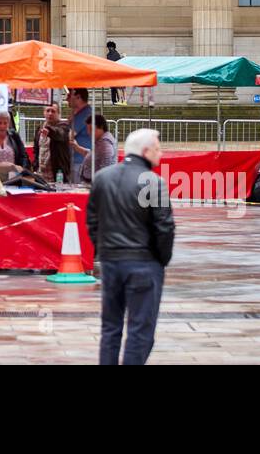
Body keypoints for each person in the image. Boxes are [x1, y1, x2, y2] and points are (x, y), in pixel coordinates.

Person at [87, 128, 174, 366]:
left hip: (112, 262)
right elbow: (164, 227)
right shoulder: (153, 182)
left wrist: (103, 249)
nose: (161, 153)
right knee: (140, 331)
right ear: (145, 151)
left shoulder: (103, 178)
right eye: (157, 148)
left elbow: (92, 220)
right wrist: (160, 260)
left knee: (110, 328)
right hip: (144, 263)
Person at [32, 102, 72, 183]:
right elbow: (36, 150)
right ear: (44, 113)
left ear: (58, 114)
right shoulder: (39, 129)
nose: (50, 113)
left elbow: (59, 134)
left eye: (53, 111)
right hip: (41, 175)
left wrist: (49, 131)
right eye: (48, 111)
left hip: (57, 175)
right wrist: (35, 167)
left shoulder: (63, 126)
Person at [78, 114, 117, 183]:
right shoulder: (100, 141)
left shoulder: (105, 143)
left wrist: (98, 184)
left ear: (101, 127)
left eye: (91, 129)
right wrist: (77, 147)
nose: (88, 132)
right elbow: (93, 155)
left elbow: (106, 166)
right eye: (88, 129)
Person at [68, 88, 93, 172]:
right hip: (78, 159)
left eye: (69, 96)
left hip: (79, 161)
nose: (66, 99)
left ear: (78, 97)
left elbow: (69, 135)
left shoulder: (85, 114)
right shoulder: (82, 113)